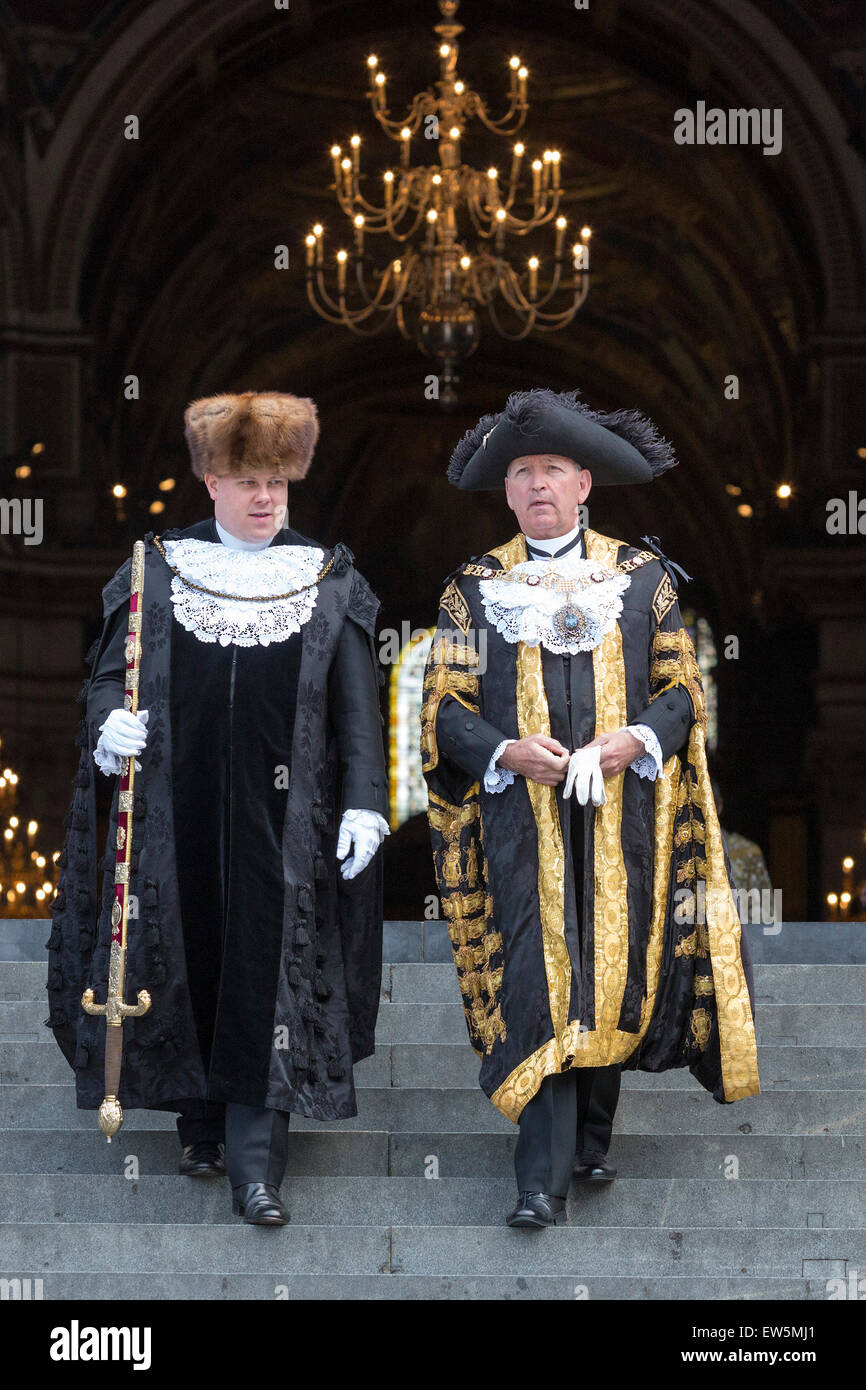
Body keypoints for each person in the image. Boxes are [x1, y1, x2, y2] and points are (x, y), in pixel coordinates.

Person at [47, 390, 389, 1225]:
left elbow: (356, 706)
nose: (266, 496)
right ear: (209, 480)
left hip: (288, 825)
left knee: (263, 978)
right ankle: (199, 1127)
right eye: (247, 479)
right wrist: (107, 727)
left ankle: (256, 1170)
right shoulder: (155, 568)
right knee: (187, 959)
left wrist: (366, 804)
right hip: (175, 812)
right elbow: (103, 679)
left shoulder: (325, 576)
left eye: (278, 480)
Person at [421, 387, 760, 1228]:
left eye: (554, 471)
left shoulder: (643, 581)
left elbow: (683, 688)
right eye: (524, 472)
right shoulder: (473, 588)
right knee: (541, 975)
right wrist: (505, 750)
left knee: (612, 965)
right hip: (517, 822)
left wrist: (633, 741)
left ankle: (591, 1138)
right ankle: (538, 1182)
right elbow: (445, 706)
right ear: (507, 493)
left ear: (584, 487)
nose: (538, 485)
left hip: (626, 817)